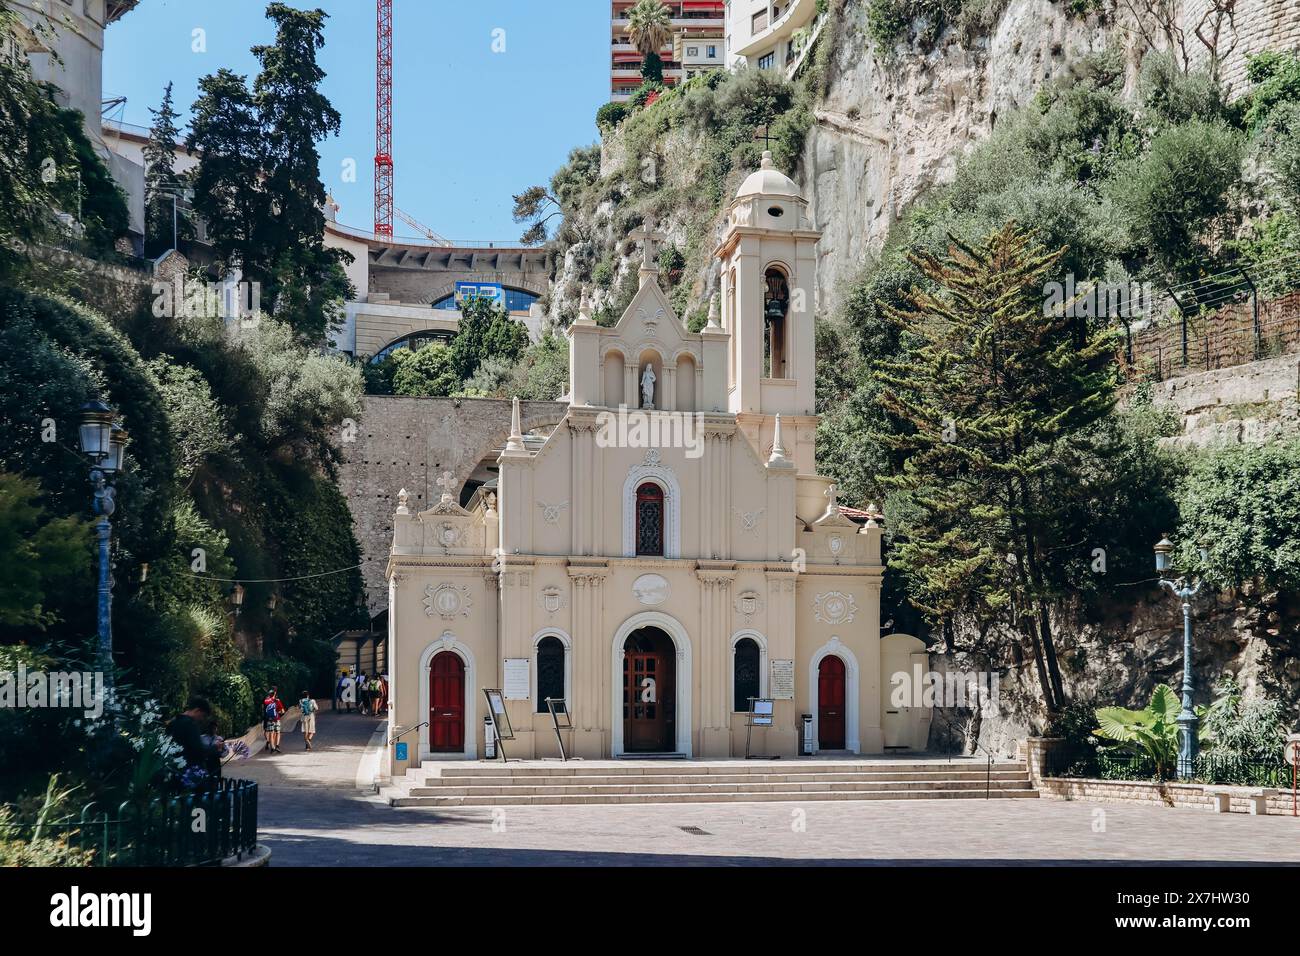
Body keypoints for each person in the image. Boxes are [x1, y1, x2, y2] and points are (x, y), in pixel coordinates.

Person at [167, 696, 223, 780]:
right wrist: (215, 747)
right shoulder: (191, 725)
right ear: (197, 710)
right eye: (203, 716)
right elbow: (198, 750)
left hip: (173, 770)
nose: (202, 719)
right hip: (190, 773)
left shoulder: (172, 722)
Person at [263, 686, 285, 753]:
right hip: (277, 719)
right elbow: (283, 711)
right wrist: (278, 712)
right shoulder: (277, 701)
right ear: (274, 693)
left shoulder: (266, 701)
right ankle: (277, 746)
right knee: (277, 732)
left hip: (269, 719)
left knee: (271, 733)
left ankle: (272, 747)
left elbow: (264, 710)